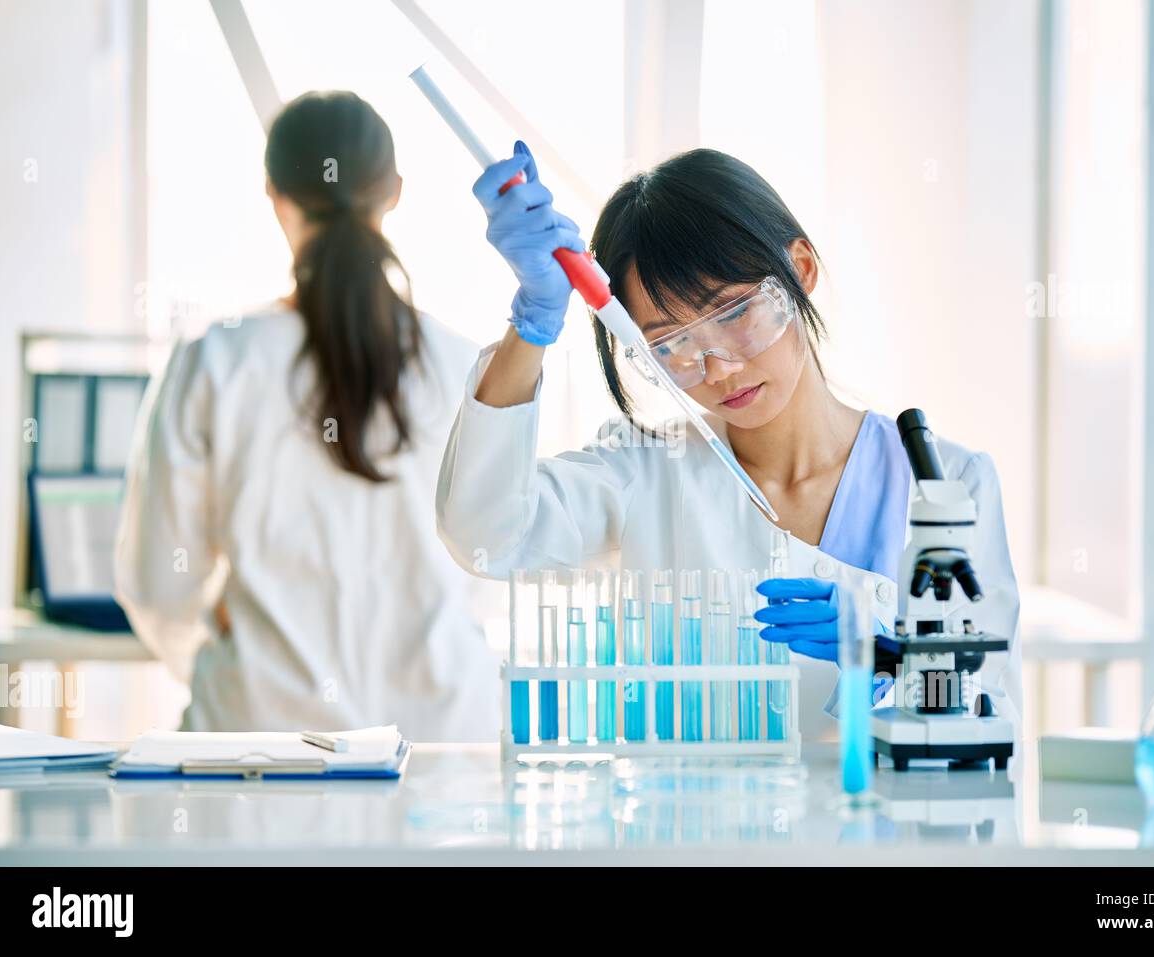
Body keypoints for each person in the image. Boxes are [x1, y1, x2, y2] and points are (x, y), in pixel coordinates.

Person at [436, 143, 1022, 739]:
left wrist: (892, 648)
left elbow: (991, 717)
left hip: (878, 828)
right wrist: (533, 324)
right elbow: (488, 537)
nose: (716, 369)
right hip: (689, 830)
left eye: (734, 311)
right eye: (670, 345)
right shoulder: (646, 469)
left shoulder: (948, 483)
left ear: (801, 270)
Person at [115, 91, 499, 740]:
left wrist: (221, 652)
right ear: (395, 192)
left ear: (274, 194)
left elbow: (159, 580)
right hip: (445, 749)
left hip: (255, 741)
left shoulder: (214, 360)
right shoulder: (467, 364)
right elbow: (488, 563)